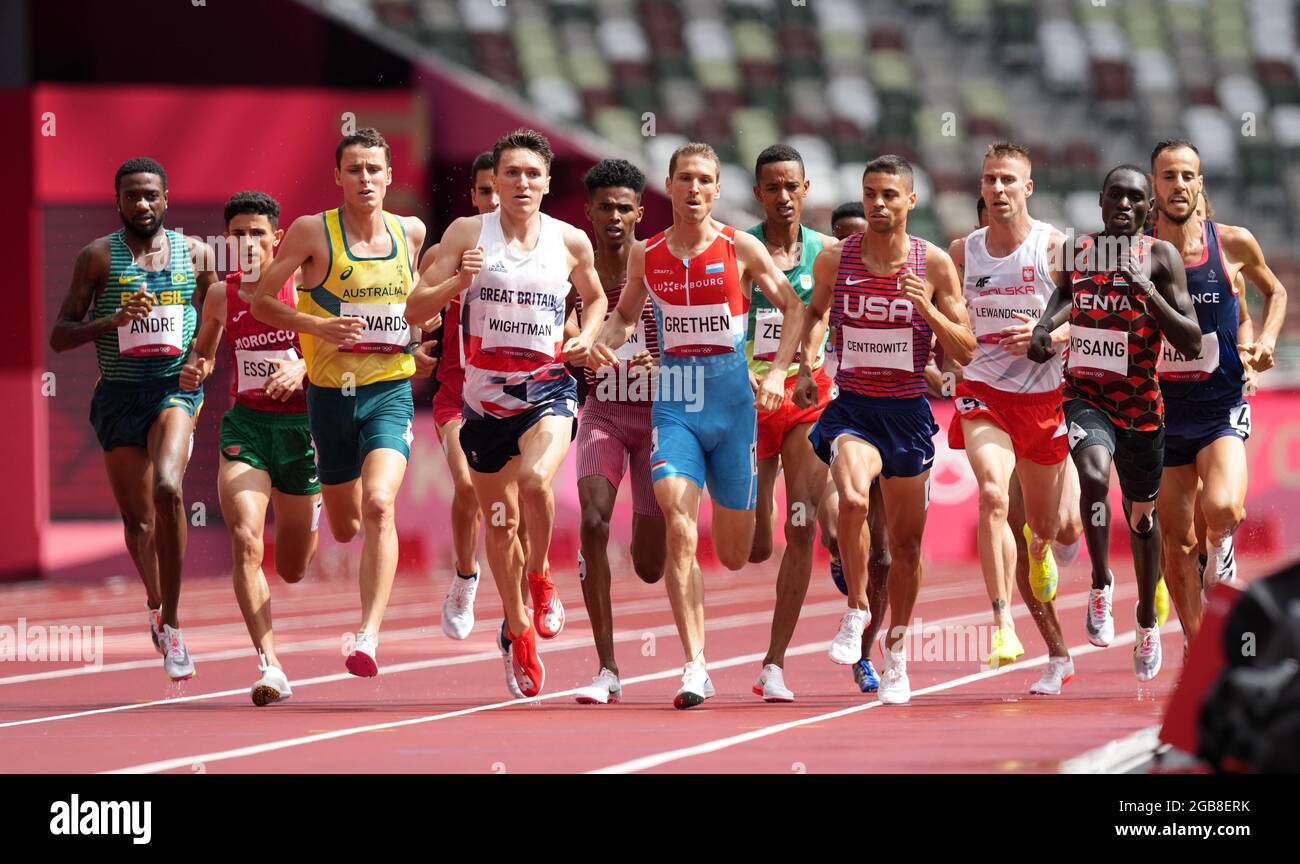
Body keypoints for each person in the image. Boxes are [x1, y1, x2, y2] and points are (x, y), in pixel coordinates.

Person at [591, 142, 805, 709]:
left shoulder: (741, 247)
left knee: (737, 553)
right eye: (684, 177)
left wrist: (780, 371)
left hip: (734, 408)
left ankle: (758, 499)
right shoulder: (648, 253)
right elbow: (623, 318)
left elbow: (794, 309)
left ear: (716, 189)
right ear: (669, 184)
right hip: (676, 404)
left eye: (704, 179)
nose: (693, 188)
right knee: (680, 527)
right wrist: (594, 346)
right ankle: (696, 666)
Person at [407, 129, 608, 698]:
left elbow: (593, 298)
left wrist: (586, 335)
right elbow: (412, 308)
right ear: (493, 181)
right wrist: (455, 281)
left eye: (532, 174)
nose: (522, 183)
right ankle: (518, 626)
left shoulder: (570, 241)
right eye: (511, 173)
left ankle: (542, 576)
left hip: (547, 389)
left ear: (547, 182)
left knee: (537, 481)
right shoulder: (467, 234)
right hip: (483, 406)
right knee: (500, 524)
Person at [797, 155, 975, 705]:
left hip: (908, 416)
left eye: (889, 195)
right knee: (851, 499)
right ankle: (856, 611)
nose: (878, 204)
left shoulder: (936, 264)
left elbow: (966, 349)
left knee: (906, 548)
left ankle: (896, 649)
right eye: (870, 193)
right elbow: (815, 314)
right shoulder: (835, 259)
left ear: (910, 202)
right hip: (854, 409)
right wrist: (807, 363)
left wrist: (930, 310)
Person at [250, 128, 426, 678]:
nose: (365, 179)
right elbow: (261, 303)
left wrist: (420, 333)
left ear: (390, 175)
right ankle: (329, 500)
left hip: (389, 392)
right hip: (328, 399)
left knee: (379, 505)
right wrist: (316, 326)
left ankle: (369, 635)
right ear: (338, 177)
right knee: (347, 526)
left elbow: (414, 306)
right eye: (355, 170)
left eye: (375, 169)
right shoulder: (311, 232)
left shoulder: (411, 232)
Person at [1028, 164, 1201, 682]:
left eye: (1135, 200)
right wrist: (1043, 328)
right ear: (1101, 202)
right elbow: (1067, 298)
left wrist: (1148, 292)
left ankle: (1147, 618)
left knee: (1144, 520)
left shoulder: (1161, 256)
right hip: (1086, 394)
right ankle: (1101, 582)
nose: (1124, 206)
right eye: (1115, 198)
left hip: (1142, 409)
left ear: (1148, 209)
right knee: (1095, 477)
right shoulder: (1082, 250)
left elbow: (1191, 339)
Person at [50, 157, 220, 681]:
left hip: (173, 392)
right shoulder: (97, 258)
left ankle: (172, 624)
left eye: (151, 195)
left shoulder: (197, 254)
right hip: (119, 396)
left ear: (166, 199)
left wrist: (201, 360)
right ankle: (154, 600)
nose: (142, 204)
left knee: (169, 489)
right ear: (118, 202)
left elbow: (215, 313)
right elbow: (60, 335)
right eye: (131, 196)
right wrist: (114, 319)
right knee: (139, 522)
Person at [945, 143, 1083, 689]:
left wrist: (1048, 333)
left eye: (1008, 180)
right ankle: (1003, 622)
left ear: (1028, 188)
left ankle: (1041, 544)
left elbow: (1094, 316)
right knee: (995, 497)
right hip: (984, 394)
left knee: (1052, 526)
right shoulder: (962, 252)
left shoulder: (1057, 248)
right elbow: (948, 321)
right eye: (989, 180)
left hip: (1045, 402)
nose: (997, 189)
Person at [179, 190, 320, 704]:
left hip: (303, 430)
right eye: (236, 234)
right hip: (248, 429)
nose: (246, 243)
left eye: (257, 233)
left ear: (277, 239)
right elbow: (206, 353)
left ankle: (313, 509)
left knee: (293, 567)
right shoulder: (221, 295)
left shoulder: (305, 286)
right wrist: (197, 367)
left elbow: (338, 340)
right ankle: (269, 663)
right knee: (246, 538)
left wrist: (303, 366)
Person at [1148, 140, 1288, 647]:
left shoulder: (1231, 242)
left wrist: (1266, 341)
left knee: (1225, 509)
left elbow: (1275, 290)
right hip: (1158, 415)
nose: (1179, 185)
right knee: (1176, 543)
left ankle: (1221, 542)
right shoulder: (1132, 251)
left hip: (1220, 408)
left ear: (1200, 184)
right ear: (1154, 186)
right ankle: (1198, 645)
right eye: (1168, 176)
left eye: (1188, 176)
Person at [410, 152, 530, 697]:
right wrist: (419, 344)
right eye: (484, 191)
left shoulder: (537, 248)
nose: (492, 199)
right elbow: (413, 311)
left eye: (497, 189)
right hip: (460, 393)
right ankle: (464, 577)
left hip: (522, 394)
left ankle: (514, 626)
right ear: (478, 196)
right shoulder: (452, 246)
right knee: (467, 486)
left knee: (515, 516)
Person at [744, 145, 839, 702]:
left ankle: (774, 664)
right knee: (757, 544)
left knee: (800, 527)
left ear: (805, 190)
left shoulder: (826, 253)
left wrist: (808, 360)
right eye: (772, 188)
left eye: (791, 187)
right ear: (759, 193)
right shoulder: (741, 249)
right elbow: (727, 324)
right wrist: (749, 376)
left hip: (806, 397)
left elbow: (823, 316)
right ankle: (761, 507)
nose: (783, 197)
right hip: (750, 401)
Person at [571, 159, 666, 704]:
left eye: (623, 206)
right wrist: (571, 340)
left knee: (650, 567)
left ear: (639, 212)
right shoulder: (573, 274)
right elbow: (555, 332)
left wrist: (666, 364)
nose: (613, 215)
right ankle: (607, 666)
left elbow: (700, 339)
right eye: (603, 206)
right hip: (602, 414)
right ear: (588, 212)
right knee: (593, 520)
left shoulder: (660, 265)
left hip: (656, 419)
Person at [829, 201, 889, 693]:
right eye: (846, 240)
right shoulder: (826, 279)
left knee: (885, 557)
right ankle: (841, 556)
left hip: (888, 419)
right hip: (832, 418)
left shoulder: (892, 284)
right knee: (836, 519)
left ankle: (865, 655)